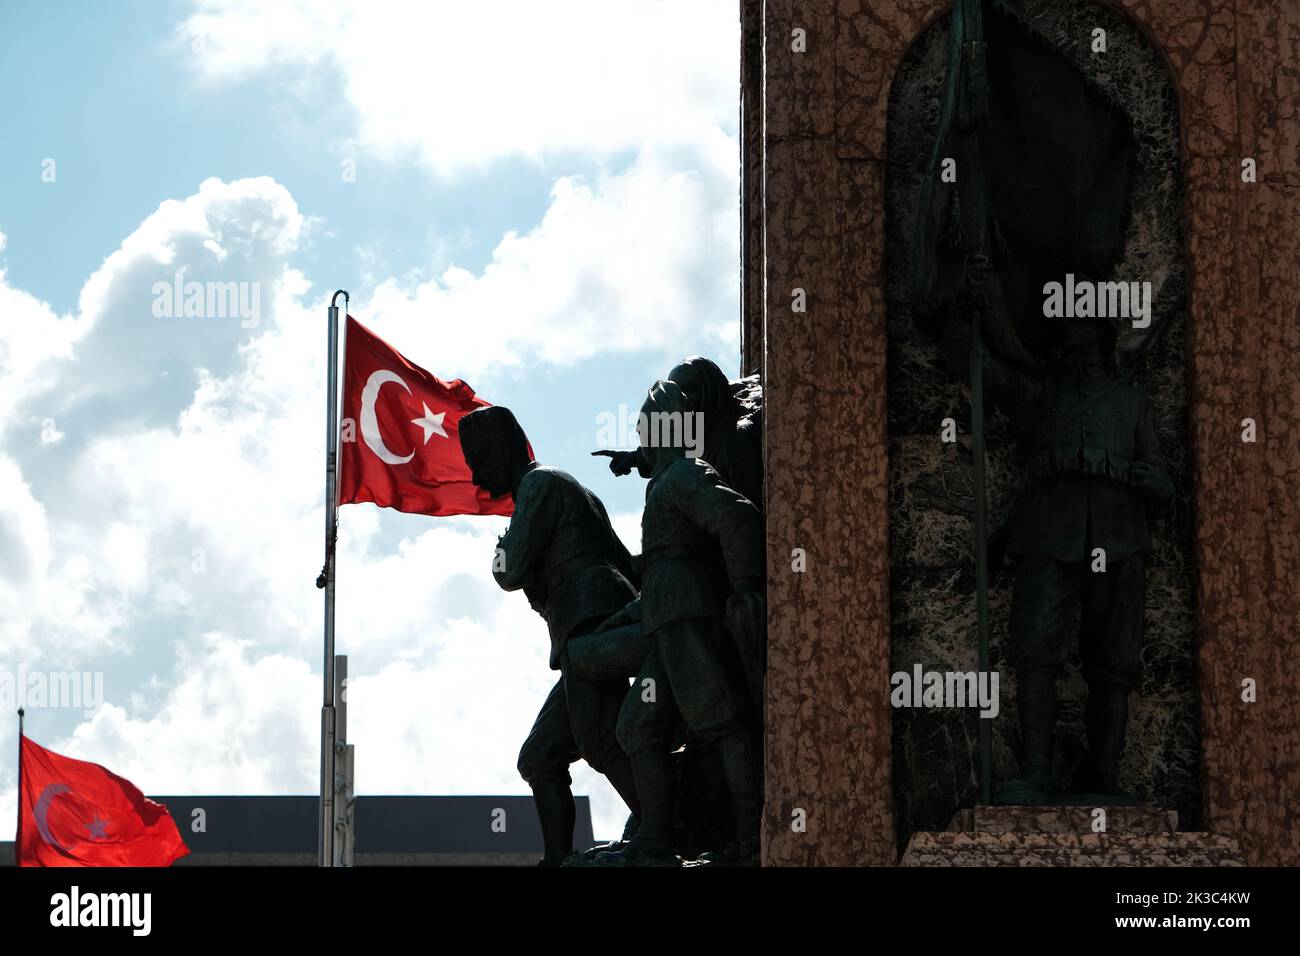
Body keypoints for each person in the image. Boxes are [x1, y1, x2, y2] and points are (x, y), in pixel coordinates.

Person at [948, 254, 1174, 802]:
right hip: (1048, 535)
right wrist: (968, 300)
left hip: (1118, 537)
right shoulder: (1038, 393)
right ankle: (1040, 773)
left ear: (1099, 331)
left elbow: (1164, 484)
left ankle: (1104, 780)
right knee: (1036, 653)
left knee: (1113, 665)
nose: (1070, 330)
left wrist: (1138, 476)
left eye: (1080, 319)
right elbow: (970, 359)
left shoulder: (1131, 403)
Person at [459, 405, 642, 864]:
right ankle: (558, 858)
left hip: (588, 624)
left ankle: (665, 824)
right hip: (588, 629)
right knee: (539, 756)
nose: (478, 481)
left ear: (503, 454)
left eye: (479, 465)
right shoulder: (569, 488)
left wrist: (501, 547)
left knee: (600, 738)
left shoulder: (540, 486)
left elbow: (509, 570)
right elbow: (627, 565)